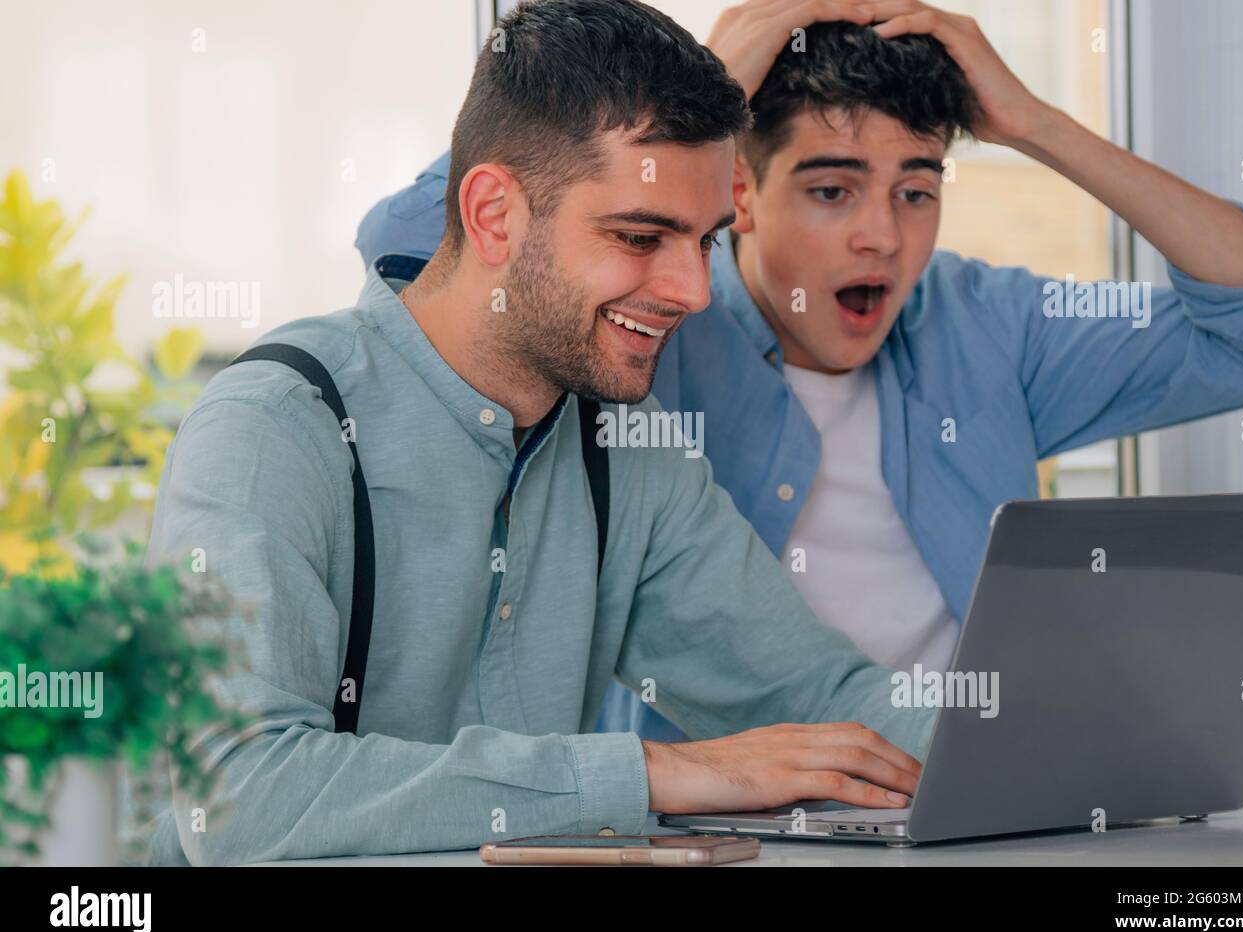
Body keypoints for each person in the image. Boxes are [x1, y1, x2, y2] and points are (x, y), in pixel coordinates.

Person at [357, 0, 1243, 745]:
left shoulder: (988, 329)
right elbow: (415, 251)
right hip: (717, 825)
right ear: (739, 195)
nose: (881, 234)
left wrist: (1037, 126)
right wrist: (708, 77)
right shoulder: (648, 325)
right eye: (830, 188)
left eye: (916, 191)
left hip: (958, 783)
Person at [145, 0, 936, 867]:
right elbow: (237, 797)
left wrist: (1062, 750)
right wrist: (646, 775)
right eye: (641, 236)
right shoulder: (274, 427)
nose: (693, 291)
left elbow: (824, 706)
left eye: (705, 242)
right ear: (494, 217)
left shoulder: (628, 450)